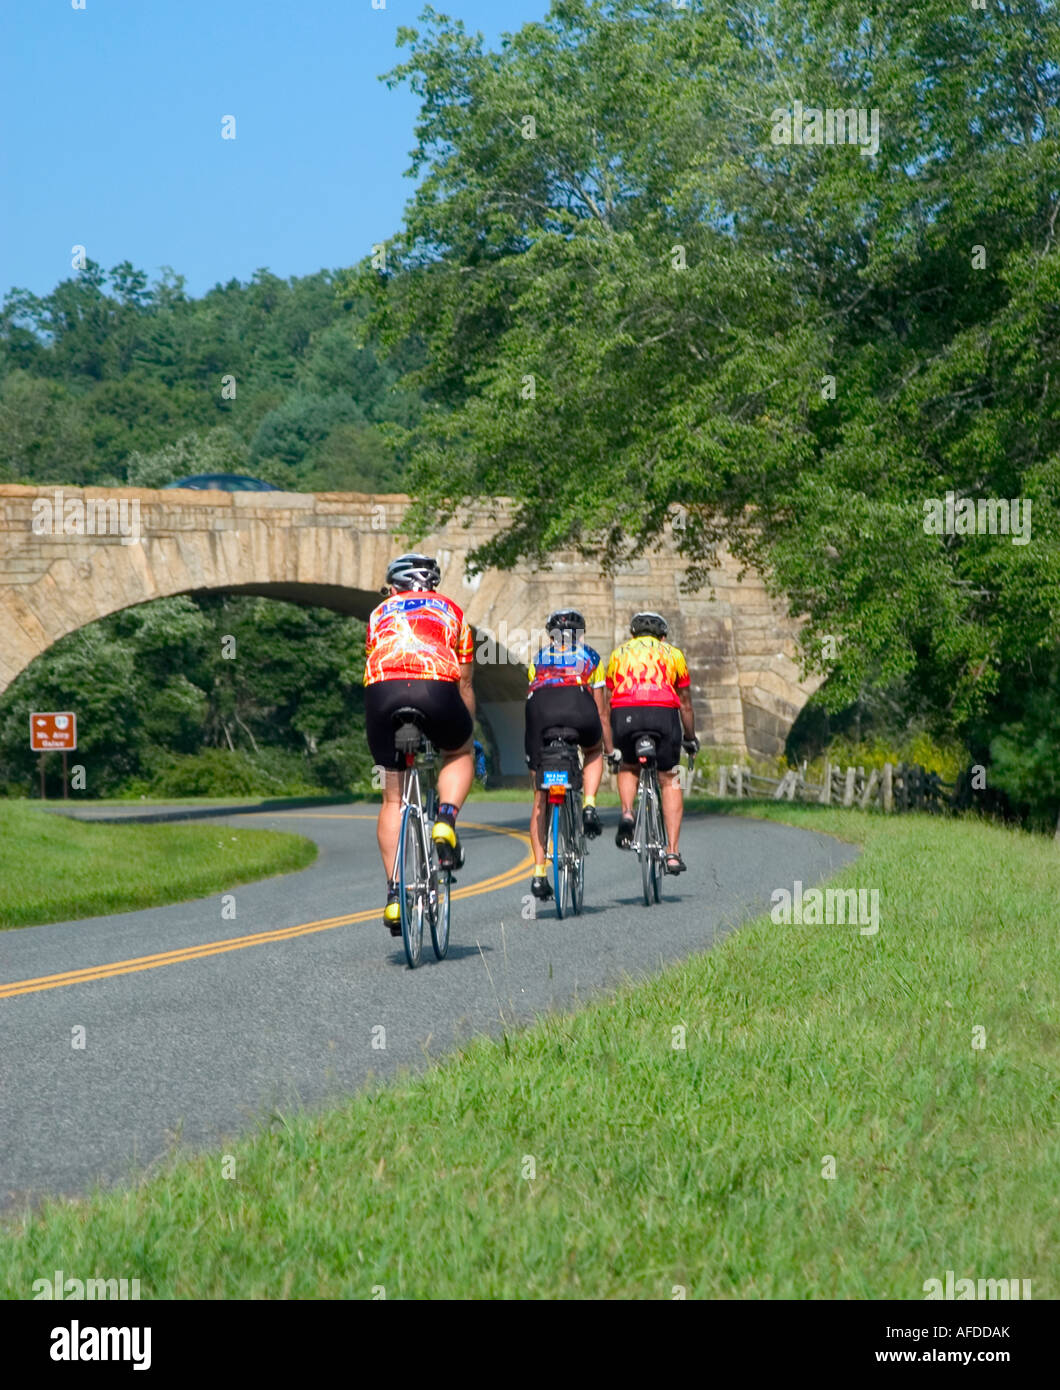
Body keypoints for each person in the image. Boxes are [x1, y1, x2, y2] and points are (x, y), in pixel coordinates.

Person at [363, 553, 475, 935]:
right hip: (436, 691)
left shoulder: (379, 614)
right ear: (433, 586)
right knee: (459, 751)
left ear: (393, 588)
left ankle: (395, 896)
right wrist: (467, 729)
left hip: (383, 696)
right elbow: (464, 682)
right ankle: (445, 820)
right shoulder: (453, 612)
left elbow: (375, 661)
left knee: (393, 799)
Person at [605, 611, 699, 873]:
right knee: (669, 777)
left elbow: (607, 695)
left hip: (625, 714)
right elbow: (687, 704)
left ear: (632, 635)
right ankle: (672, 853)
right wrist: (690, 738)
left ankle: (626, 813)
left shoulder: (618, 654)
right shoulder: (674, 655)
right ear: (663, 636)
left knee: (627, 766)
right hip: (662, 714)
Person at [524, 608, 607, 900]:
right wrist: (609, 747)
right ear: (580, 635)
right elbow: (600, 710)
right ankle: (589, 805)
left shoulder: (538, 660)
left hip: (541, 715)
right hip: (579, 710)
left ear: (550, 636)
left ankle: (538, 872)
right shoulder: (592, 658)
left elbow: (532, 696)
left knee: (540, 794)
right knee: (594, 751)